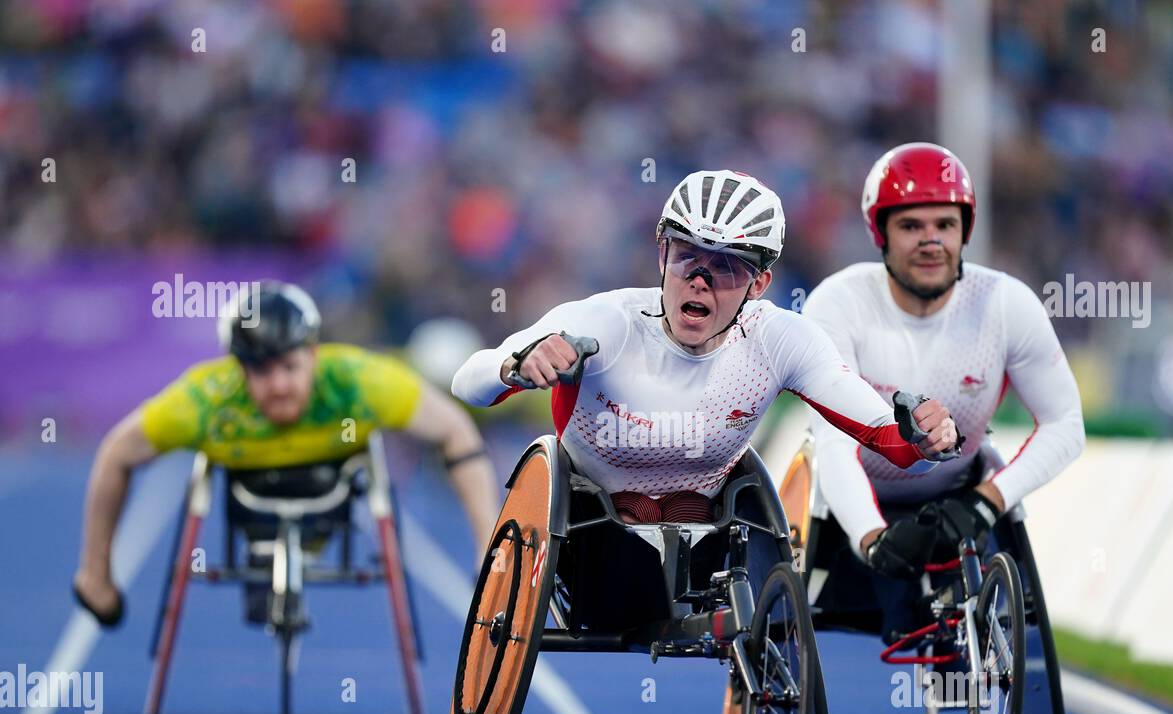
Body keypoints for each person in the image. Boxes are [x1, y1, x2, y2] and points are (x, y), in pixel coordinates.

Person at [451, 169, 961, 535]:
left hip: (713, 537)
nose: (699, 281)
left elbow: (890, 442)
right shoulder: (604, 322)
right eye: (688, 258)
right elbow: (467, 383)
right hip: (586, 531)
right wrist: (516, 366)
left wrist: (923, 440)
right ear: (661, 254)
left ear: (759, 283)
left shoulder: (781, 340)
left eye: (726, 267)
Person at [72, 281, 499, 626]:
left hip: (330, 499)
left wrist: (488, 547)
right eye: (260, 370)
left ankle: (276, 561)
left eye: (290, 368)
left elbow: (455, 430)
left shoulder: (357, 380)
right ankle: (264, 556)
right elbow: (116, 453)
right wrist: (96, 574)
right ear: (237, 368)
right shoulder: (205, 397)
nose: (278, 386)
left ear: (314, 354)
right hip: (247, 501)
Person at [800, 142, 1084, 643]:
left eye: (945, 226)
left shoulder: (1005, 304)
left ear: (964, 232)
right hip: (854, 501)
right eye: (911, 226)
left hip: (962, 496)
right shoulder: (837, 304)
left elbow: (1066, 426)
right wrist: (872, 539)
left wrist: (987, 501)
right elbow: (834, 445)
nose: (931, 241)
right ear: (880, 234)